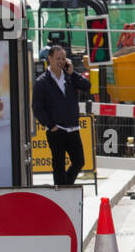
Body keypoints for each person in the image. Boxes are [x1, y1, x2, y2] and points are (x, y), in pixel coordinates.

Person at [32, 45, 93, 186]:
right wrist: (50, 125)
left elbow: (87, 86)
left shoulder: (70, 76)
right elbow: (37, 108)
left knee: (79, 161)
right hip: (57, 130)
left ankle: (65, 187)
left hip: (72, 128)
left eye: (63, 58)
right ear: (50, 58)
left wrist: (73, 73)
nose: (60, 61)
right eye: (58, 58)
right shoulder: (42, 82)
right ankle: (61, 191)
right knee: (58, 165)